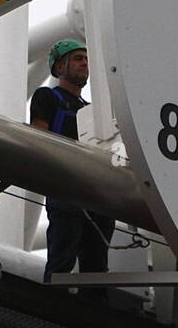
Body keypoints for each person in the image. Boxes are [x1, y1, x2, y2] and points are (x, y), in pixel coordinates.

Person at [29, 38, 117, 285]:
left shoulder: (91, 110)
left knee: (97, 264)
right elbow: (39, 138)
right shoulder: (48, 97)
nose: (84, 64)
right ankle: (55, 307)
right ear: (59, 67)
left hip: (94, 192)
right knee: (62, 257)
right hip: (64, 187)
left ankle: (93, 313)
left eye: (86, 59)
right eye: (77, 58)